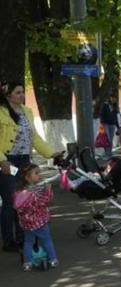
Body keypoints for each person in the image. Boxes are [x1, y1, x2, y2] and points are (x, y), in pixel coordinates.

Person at [0, 82, 61, 253]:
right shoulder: (1, 112)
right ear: (8, 95)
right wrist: (2, 161)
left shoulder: (27, 111)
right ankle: (8, 241)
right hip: (7, 161)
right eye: (18, 92)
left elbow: (35, 138)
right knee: (11, 201)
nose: (22, 95)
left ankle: (23, 238)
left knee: (24, 200)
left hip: (24, 161)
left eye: (22, 92)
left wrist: (52, 153)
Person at [13, 163, 58, 271]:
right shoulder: (35, 191)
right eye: (36, 173)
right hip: (39, 221)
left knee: (28, 242)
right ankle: (53, 259)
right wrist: (48, 190)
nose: (39, 175)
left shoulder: (19, 192)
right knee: (46, 240)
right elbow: (45, 201)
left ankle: (28, 263)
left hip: (27, 223)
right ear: (27, 177)